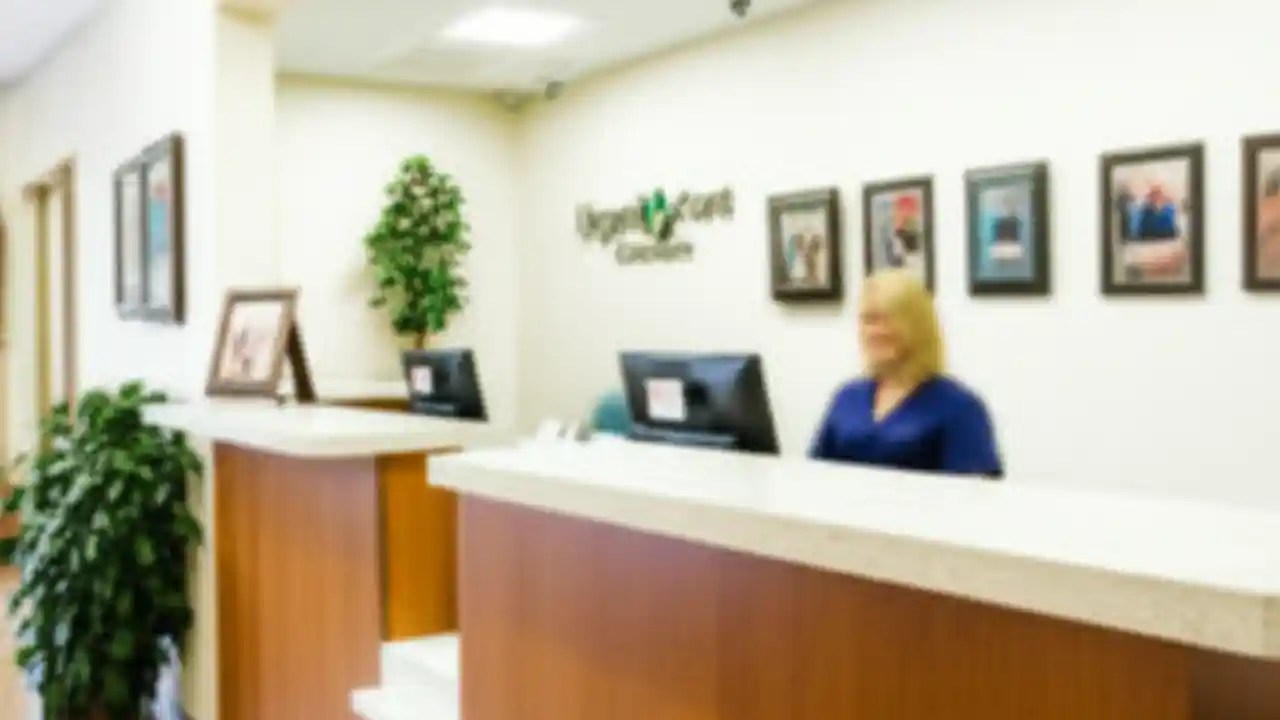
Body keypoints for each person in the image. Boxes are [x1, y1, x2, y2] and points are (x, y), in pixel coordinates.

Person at [810, 269, 1002, 477]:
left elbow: (974, 498)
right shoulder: (847, 397)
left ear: (918, 326)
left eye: (888, 320)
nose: (876, 331)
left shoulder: (959, 408)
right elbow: (814, 477)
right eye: (868, 320)